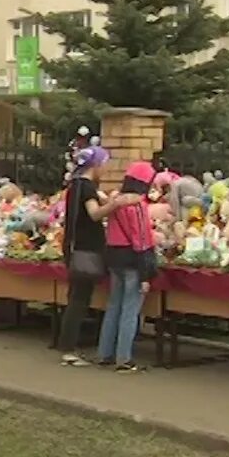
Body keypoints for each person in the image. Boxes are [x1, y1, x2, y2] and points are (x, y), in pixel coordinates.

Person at [56, 144, 137, 367]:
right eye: (104, 164)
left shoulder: (75, 185)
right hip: (86, 248)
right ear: (96, 165)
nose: (106, 169)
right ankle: (69, 350)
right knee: (79, 299)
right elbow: (94, 214)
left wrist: (109, 200)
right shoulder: (87, 187)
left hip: (74, 247)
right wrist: (116, 204)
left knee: (75, 297)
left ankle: (66, 346)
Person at [97, 160, 158, 373]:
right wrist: (145, 274)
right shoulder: (137, 206)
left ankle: (104, 353)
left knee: (114, 305)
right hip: (132, 261)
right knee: (130, 310)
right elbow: (141, 241)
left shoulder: (116, 201)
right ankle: (124, 358)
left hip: (114, 258)